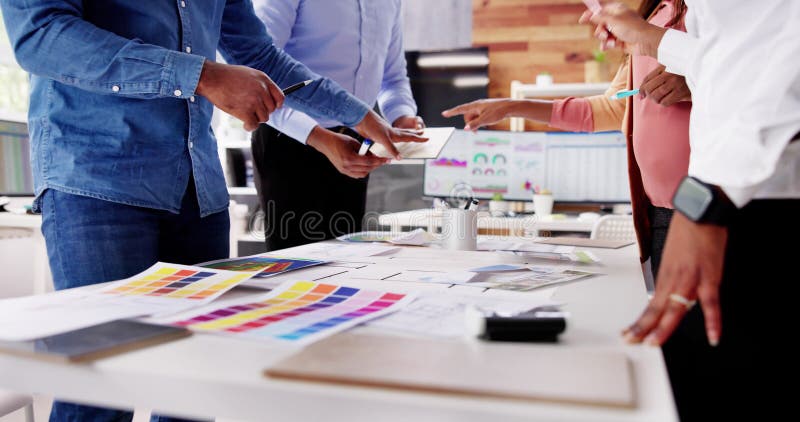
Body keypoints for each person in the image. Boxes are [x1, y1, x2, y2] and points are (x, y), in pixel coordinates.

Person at [0, 0, 423, 421]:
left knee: (197, 385)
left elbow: (259, 56)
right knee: (101, 391)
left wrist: (358, 115)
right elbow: (41, 35)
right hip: (98, 180)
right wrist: (201, 74)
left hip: (196, 188)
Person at [584, 1, 800, 420]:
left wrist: (704, 199)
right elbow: (726, 59)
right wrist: (649, 37)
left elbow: (775, 54)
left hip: (751, 196)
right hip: (733, 195)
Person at [444, 1, 690, 279]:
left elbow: (738, 76)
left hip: (705, 204)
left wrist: (693, 81)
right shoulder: (655, 13)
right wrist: (511, 106)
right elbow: (613, 107)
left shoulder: (702, 12)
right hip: (661, 212)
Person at [251, 0, 425, 251]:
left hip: (357, 144)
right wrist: (321, 139)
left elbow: (393, 77)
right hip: (291, 140)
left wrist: (402, 117)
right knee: (297, 267)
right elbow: (258, 73)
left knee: (348, 260)